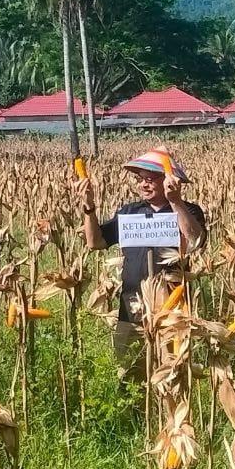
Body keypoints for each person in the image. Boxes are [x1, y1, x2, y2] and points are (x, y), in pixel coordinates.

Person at [80, 147, 206, 381]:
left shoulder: (188, 210)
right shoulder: (130, 212)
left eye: (150, 179)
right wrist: (89, 208)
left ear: (169, 180)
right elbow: (95, 242)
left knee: (172, 376)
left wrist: (175, 201)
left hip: (172, 310)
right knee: (128, 377)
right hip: (132, 309)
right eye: (140, 179)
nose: (143, 185)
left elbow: (194, 240)